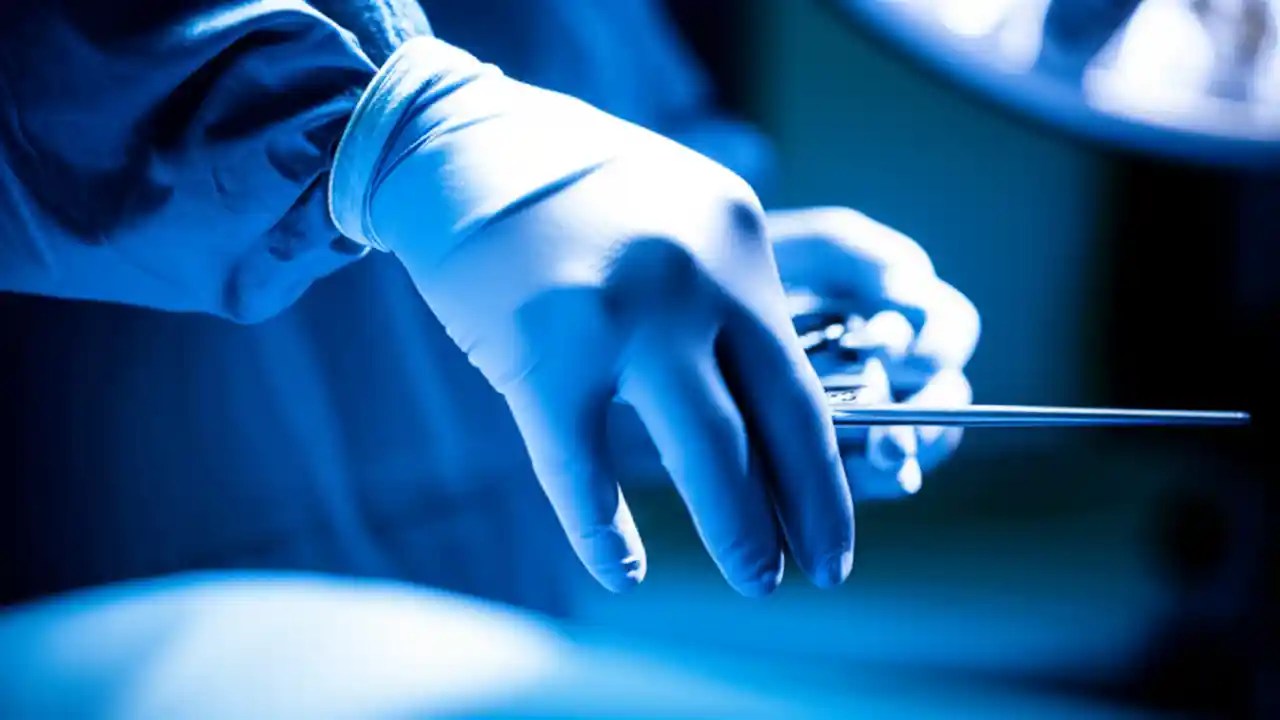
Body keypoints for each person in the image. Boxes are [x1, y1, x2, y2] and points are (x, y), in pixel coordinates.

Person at [0, 0, 979, 610]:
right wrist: (393, 131)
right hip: (113, 624)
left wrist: (730, 348)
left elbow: (560, 153)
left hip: (481, 603)